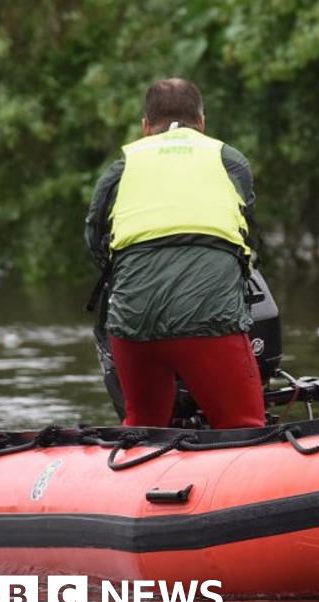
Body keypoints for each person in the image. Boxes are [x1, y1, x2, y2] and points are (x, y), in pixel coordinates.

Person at [84, 77, 265, 429]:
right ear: (202, 122)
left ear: (145, 127)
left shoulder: (123, 164)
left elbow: (94, 238)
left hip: (132, 320)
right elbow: (246, 231)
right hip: (210, 317)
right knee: (243, 427)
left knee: (144, 424)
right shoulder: (228, 159)